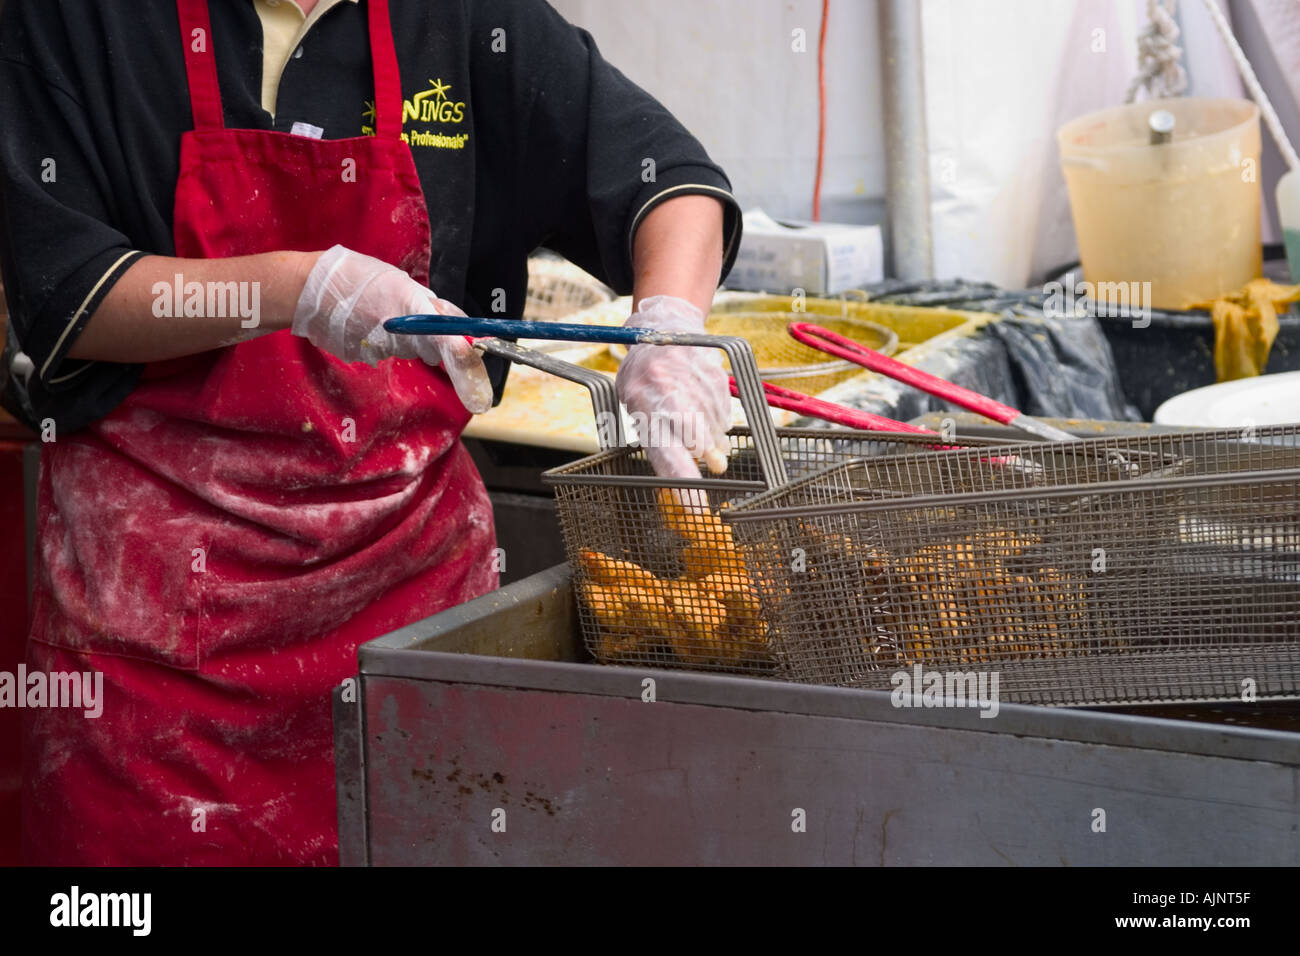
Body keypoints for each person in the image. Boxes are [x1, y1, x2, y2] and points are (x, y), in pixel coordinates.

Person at [0, 0, 740, 864]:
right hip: (159, 646)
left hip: (411, 617)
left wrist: (668, 327)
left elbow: (668, 176)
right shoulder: (69, 20)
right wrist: (296, 289)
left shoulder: (463, 18)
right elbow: (65, 296)